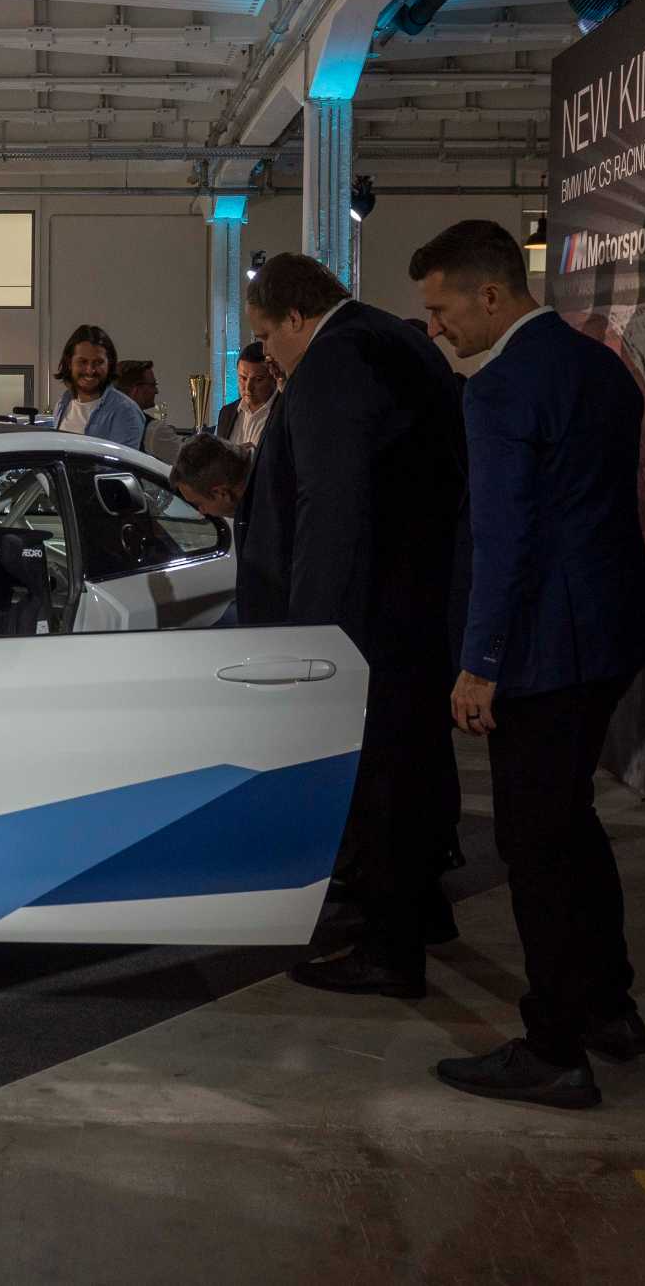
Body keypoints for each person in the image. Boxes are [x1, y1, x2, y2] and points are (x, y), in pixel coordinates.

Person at [415, 220, 645, 1111]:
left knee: (535, 845)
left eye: (441, 309)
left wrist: (480, 662)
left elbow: (505, 538)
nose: (436, 327)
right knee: (570, 825)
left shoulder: (501, 387)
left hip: (544, 651)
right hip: (612, 636)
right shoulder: (599, 365)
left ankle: (555, 1045)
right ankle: (609, 1010)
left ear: (490, 294)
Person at [234, 253, 464, 1005]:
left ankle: (389, 951)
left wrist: (313, 643)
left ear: (298, 318)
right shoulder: (390, 343)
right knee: (411, 767)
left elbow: (332, 513)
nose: (267, 354)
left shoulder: (336, 361)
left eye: (269, 336)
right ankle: (416, 912)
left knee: (382, 781)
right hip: (412, 611)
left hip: (367, 623)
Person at [51, 323, 144, 445]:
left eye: (98, 362)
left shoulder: (125, 411)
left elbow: (123, 463)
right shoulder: (62, 404)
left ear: (109, 364)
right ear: (69, 363)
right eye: (83, 362)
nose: (90, 370)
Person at [114, 360, 184, 465]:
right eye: (153, 385)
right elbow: (190, 464)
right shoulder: (154, 431)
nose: (156, 391)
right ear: (136, 390)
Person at [171, 434, 251, 522]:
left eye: (199, 504)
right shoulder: (263, 452)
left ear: (221, 493)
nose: (202, 511)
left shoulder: (260, 525)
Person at [216, 342, 278, 448]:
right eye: (243, 378)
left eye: (258, 380)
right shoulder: (226, 413)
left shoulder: (283, 412)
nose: (248, 387)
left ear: (273, 377)